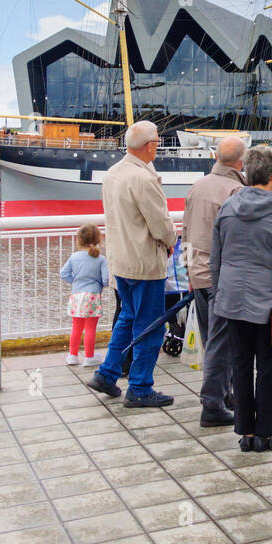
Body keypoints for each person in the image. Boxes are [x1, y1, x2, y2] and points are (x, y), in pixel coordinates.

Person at [210, 145, 272, 453]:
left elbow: (217, 257)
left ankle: (245, 433)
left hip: (232, 298)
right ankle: (265, 432)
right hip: (270, 302)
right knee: (267, 365)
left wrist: (218, 292)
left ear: (247, 173)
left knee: (239, 363)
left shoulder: (227, 207)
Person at [88, 121, 178, 408]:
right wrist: (170, 241)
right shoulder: (144, 179)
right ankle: (139, 386)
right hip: (144, 263)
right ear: (150, 145)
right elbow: (160, 224)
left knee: (127, 318)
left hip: (120, 261)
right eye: (157, 142)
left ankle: (108, 372)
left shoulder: (112, 174)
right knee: (150, 325)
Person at [182, 135, 246, 427]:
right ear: (240, 162)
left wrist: (189, 272)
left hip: (198, 274)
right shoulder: (236, 189)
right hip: (223, 278)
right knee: (224, 344)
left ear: (216, 157)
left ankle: (225, 394)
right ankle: (212, 403)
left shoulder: (197, 186)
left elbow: (185, 231)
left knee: (213, 341)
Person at [59, 224, 109, 367]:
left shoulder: (74, 257)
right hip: (92, 295)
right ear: (98, 239)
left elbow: (63, 273)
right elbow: (106, 280)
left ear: (79, 240)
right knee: (90, 327)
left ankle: (72, 356)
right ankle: (89, 356)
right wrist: (98, 284)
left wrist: (74, 282)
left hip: (76, 295)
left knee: (76, 326)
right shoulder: (101, 259)